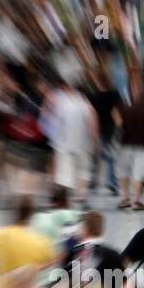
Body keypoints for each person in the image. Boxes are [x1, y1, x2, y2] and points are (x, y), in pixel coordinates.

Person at [41, 78, 98, 207]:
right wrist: (95, 143)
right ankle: (80, 199)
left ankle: (66, 200)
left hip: (63, 146)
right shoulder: (87, 105)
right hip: (84, 147)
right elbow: (93, 127)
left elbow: (49, 121)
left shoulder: (62, 104)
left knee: (65, 175)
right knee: (84, 173)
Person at [116, 71, 144, 210]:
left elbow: (117, 120)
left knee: (130, 171)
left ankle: (127, 198)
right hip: (137, 144)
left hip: (128, 143)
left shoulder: (124, 103)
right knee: (136, 172)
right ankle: (134, 200)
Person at [86, 65, 123, 196]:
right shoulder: (115, 94)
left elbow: (92, 115)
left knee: (95, 157)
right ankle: (112, 182)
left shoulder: (93, 96)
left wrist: (93, 131)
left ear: (97, 80)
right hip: (112, 128)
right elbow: (117, 112)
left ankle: (93, 182)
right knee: (112, 156)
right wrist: (120, 126)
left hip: (99, 128)